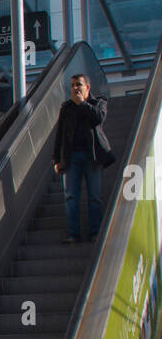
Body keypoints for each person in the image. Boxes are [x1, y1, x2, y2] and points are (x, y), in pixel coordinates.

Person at [52, 73, 112, 243]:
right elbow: (60, 135)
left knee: (95, 196)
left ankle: (95, 232)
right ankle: (73, 234)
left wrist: (83, 104)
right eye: (72, 85)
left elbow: (98, 118)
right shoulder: (67, 108)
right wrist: (56, 158)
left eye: (78, 84)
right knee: (71, 196)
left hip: (92, 156)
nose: (75, 88)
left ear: (87, 87)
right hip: (72, 157)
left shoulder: (98, 103)